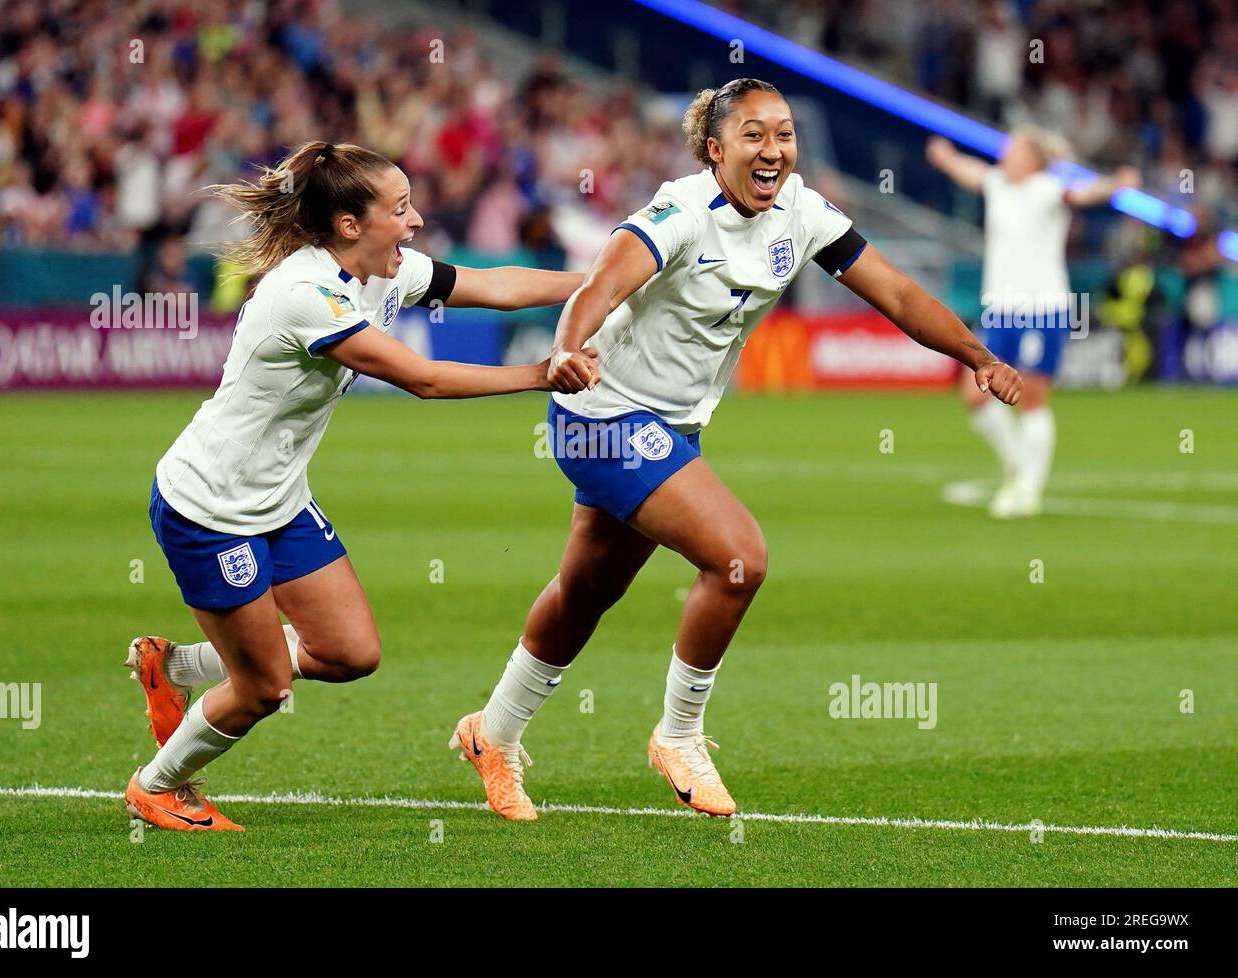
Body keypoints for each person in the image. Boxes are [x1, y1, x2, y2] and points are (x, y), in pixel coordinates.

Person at [449, 79, 1021, 821]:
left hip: (672, 424)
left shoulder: (803, 212)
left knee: (586, 592)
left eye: (783, 133)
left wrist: (976, 355)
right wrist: (567, 346)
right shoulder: (680, 211)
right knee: (737, 557)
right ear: (715, 150)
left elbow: (900, 296)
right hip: (603, 412)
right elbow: (600, 282)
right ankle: (679, 736)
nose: (774, 149)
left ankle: (492, 736)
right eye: (754, 135)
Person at [124, 141, 585, 831]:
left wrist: (603, 278)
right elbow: (423, 379)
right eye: (400, 210)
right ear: (349, 225)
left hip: (277, 500)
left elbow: (495, 286)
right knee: (262, 688)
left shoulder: (382, 270)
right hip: (210, 509)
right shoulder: (306, 294)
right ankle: (157, 786)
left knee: (348, 653)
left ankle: (178, 665)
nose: (416, 221)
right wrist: (539, 373)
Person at [927, 129, 1139, 517]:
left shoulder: (1045, 188)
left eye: (1014, 151)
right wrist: (945, 157)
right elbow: (971, 171)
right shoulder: (997, 185)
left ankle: (1027, 490)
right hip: (999, 309)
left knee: (1032, 399)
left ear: (1034, 160)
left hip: (1043, 309)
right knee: (975, 395)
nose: (1005, 156)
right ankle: (1016, 463)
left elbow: (1081, 194)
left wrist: (1115, 186)